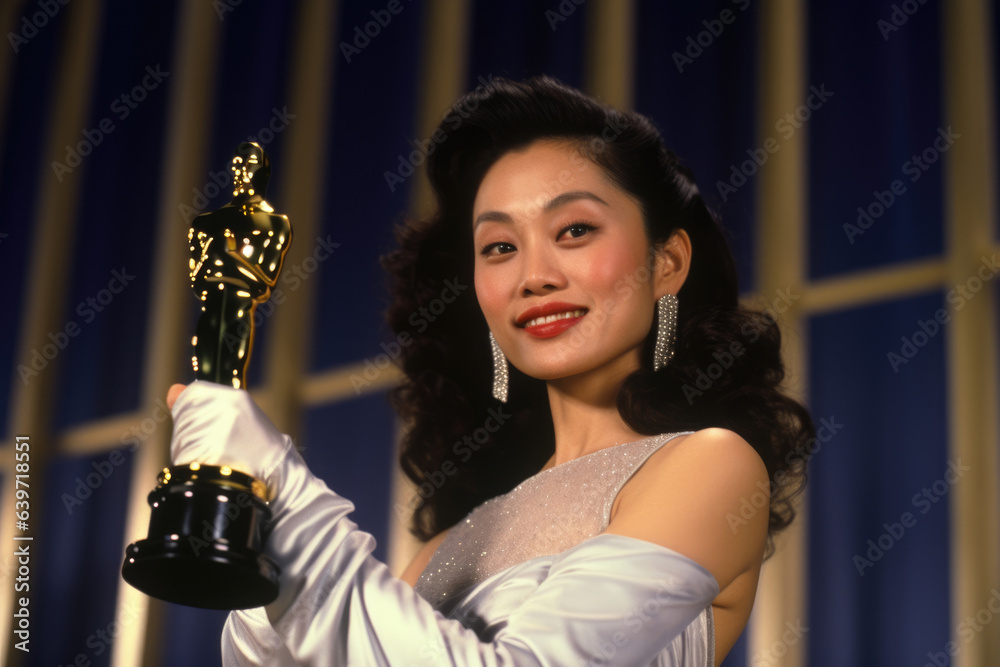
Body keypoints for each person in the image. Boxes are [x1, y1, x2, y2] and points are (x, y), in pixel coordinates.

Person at [165, 76, 814, 666]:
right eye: (500, 246)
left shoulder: (711, 466)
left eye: (575, 229)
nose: (535, 276)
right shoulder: (450, 542)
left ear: (667, 261)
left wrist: (287, 489)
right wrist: (260, 527)